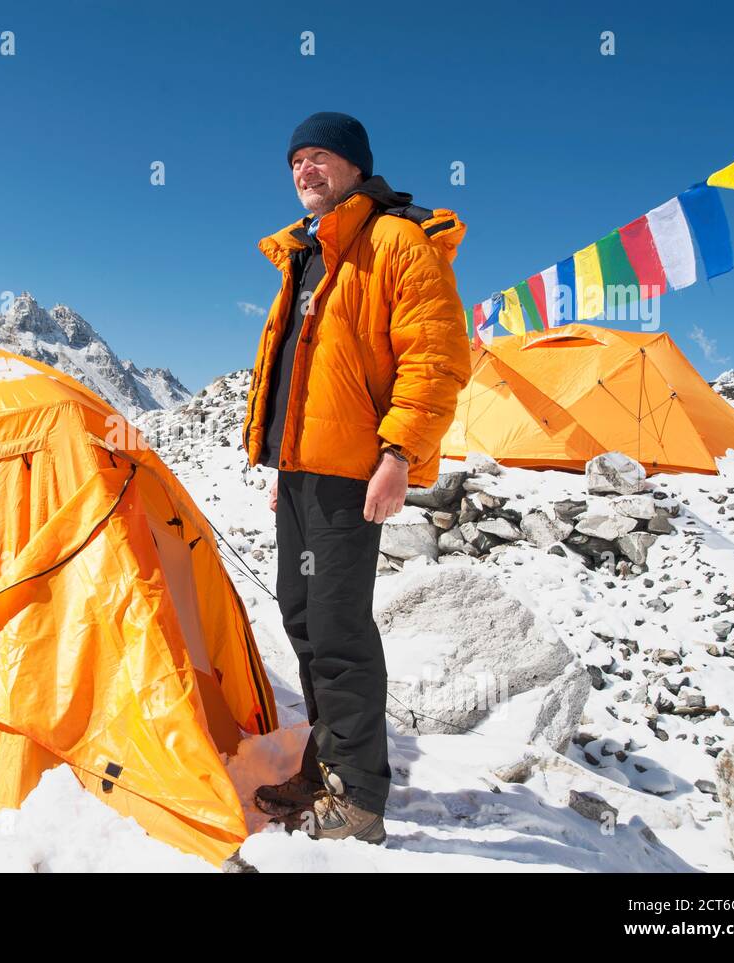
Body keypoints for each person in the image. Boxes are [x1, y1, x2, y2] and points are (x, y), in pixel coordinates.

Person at [242, 111, 472, 843]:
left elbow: (434, 362)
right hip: (305, 475)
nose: (305, 171)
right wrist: (285, 461)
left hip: (356, 476)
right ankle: (327, 765)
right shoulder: (307, 255)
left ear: (354, 165)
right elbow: (296, 374)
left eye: (319, 158)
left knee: (339, 628)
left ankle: (361, 800)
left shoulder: (398, 242)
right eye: (295, 161)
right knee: (304, 621)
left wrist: (399, 454)